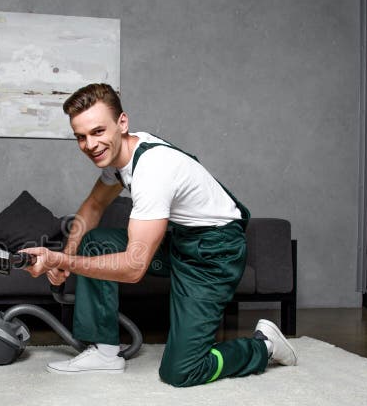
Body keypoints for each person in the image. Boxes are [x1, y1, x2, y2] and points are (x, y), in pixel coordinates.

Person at [21, 83, 296, 386]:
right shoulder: (121, 156)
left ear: (122, 123)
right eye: (81, 137)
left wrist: (61, 259)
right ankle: (104, 352)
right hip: (178, 242)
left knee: (182, 371)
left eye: (98, 132)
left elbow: (133, 267)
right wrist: (68, 255)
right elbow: (94, 205)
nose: (90, 144)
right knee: (94, 242)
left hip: (214, 255)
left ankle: (264, 346)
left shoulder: (153, 169)